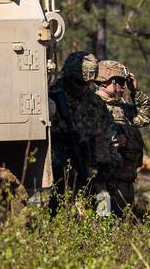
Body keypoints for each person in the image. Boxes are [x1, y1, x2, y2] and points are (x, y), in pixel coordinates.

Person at [49, 51, 115, 208]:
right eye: (79, 83)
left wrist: (104, 163)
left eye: (88, 83)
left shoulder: (95, 102)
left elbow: (106, 133)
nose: (83, 88)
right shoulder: (51, 98)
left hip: (90, 166)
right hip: (58, 168)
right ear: (68, 76)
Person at [95, 59, 150, 217]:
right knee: (105, 222)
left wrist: (135, 92)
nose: (124, 86)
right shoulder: (95, 105)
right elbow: (89, 138)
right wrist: (114, 142)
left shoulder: (122, 107)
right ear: (107, 81)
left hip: (126, 177)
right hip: (106, 180)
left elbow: (146, 117)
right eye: (121, 81)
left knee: (124, 221)